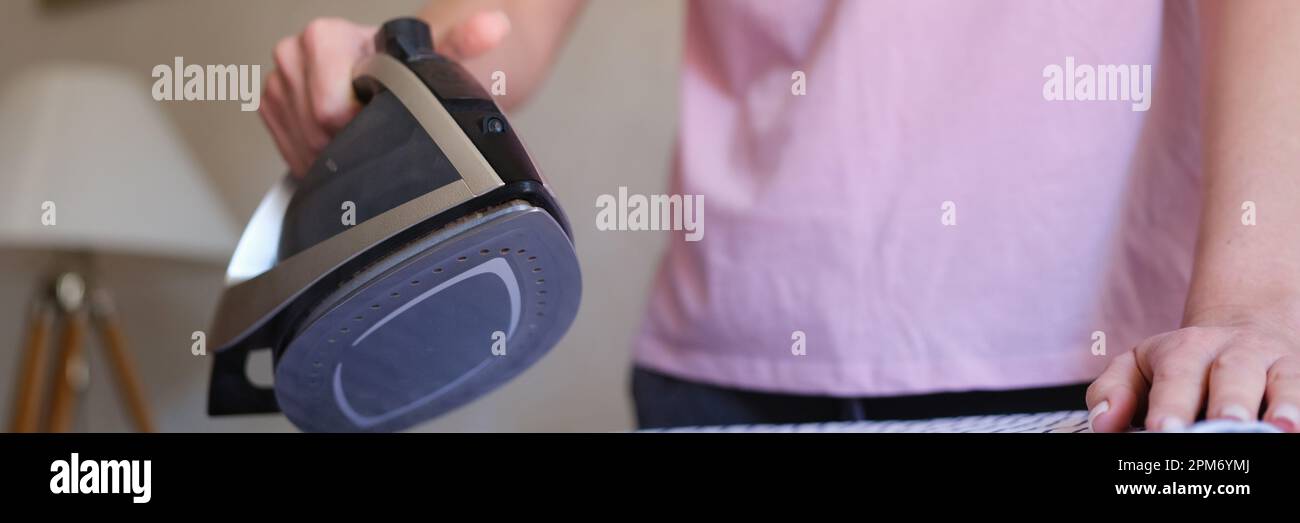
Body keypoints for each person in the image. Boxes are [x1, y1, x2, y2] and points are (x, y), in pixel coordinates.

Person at [259, 0, 1300, 432]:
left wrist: (1254, 299)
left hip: (1094, 369)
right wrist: (395, 80)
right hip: (724, 371)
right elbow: (502, 31)